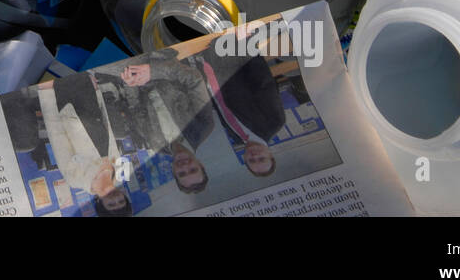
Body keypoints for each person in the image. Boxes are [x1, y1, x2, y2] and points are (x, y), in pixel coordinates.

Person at [100, 49, 216, 193]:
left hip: (131, 71)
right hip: (160, 59)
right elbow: (194, 79)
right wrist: (152, 71)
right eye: (193, 169)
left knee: (97, 65)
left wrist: (130, 82)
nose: (185, 166)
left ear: (174, 172)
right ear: (201, 164)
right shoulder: (204, 127)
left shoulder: (156, 145)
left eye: (182, 173)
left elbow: (136, 107)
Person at [39, 72, 131, 213]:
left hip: (65, 103)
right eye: (121, 201)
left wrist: (46, 93)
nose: (115, 199)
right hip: (89, 98)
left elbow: (56, 136)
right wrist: (96, 91)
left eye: (111, 205)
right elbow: (108, 131)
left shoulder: (76, 179)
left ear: (100, 203)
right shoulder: (118, 171)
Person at [196, 46, 285, 177]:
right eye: (261, 158)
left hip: (205, 65)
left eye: (251, 160)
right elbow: (263, 81)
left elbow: (220, 103)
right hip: (227, 54)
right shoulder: (275, 123)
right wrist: (244, 45)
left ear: (244, 158)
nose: (254, 156)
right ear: (270, 154)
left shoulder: (236, 136)